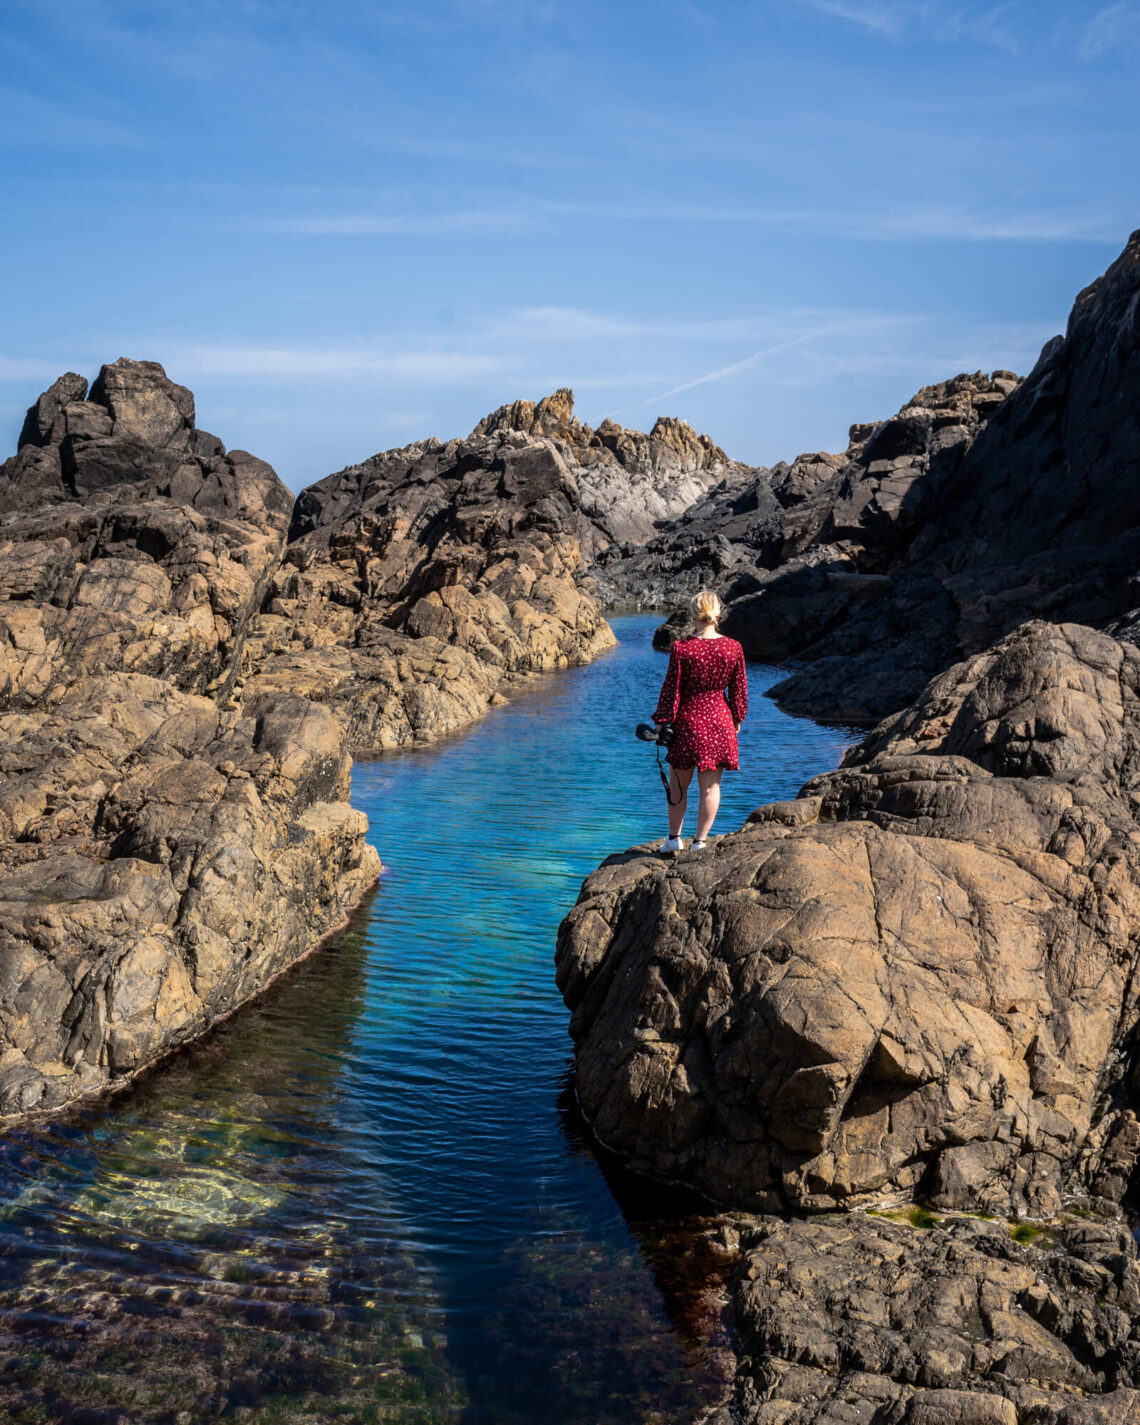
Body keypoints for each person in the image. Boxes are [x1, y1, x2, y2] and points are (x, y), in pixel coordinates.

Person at [652, 589, 748, 853]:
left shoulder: (682, 648)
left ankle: (674, 839)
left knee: (678, 785)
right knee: (710, 787)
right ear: (717, 614)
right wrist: (737, 718)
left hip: (688, 722)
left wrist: (661, 722)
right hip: (720, 721)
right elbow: (739, 689)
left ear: (693, 614)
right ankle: (700, 842)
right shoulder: (733, 647)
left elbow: (671, 689)